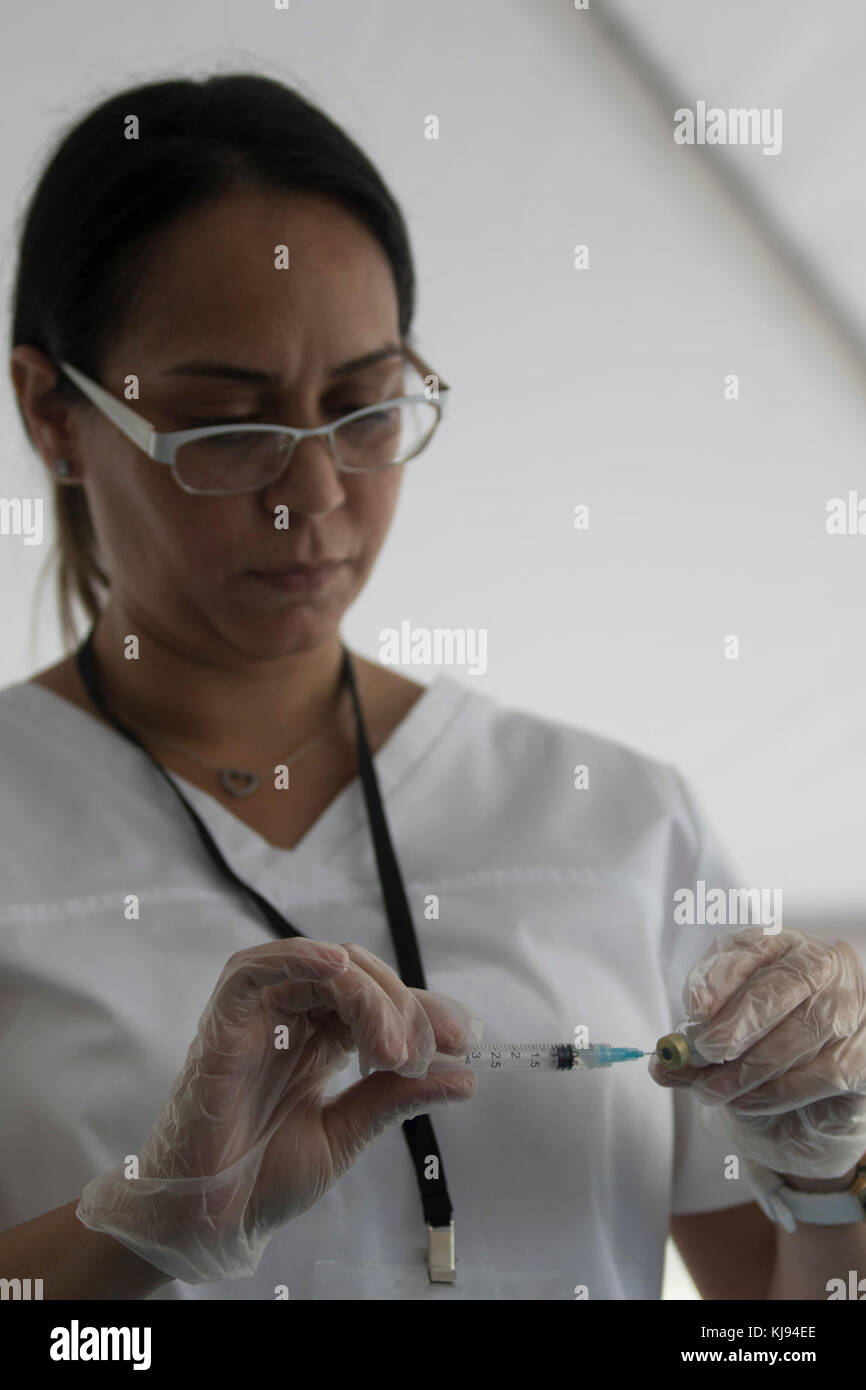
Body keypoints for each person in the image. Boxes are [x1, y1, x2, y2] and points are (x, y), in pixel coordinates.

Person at [1, 73, 865, 1302]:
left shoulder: (613, 818)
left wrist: (826, 1168)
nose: (317, 497)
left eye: (362, 408)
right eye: (224, 429)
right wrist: (137, 1229)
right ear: (54, 412)